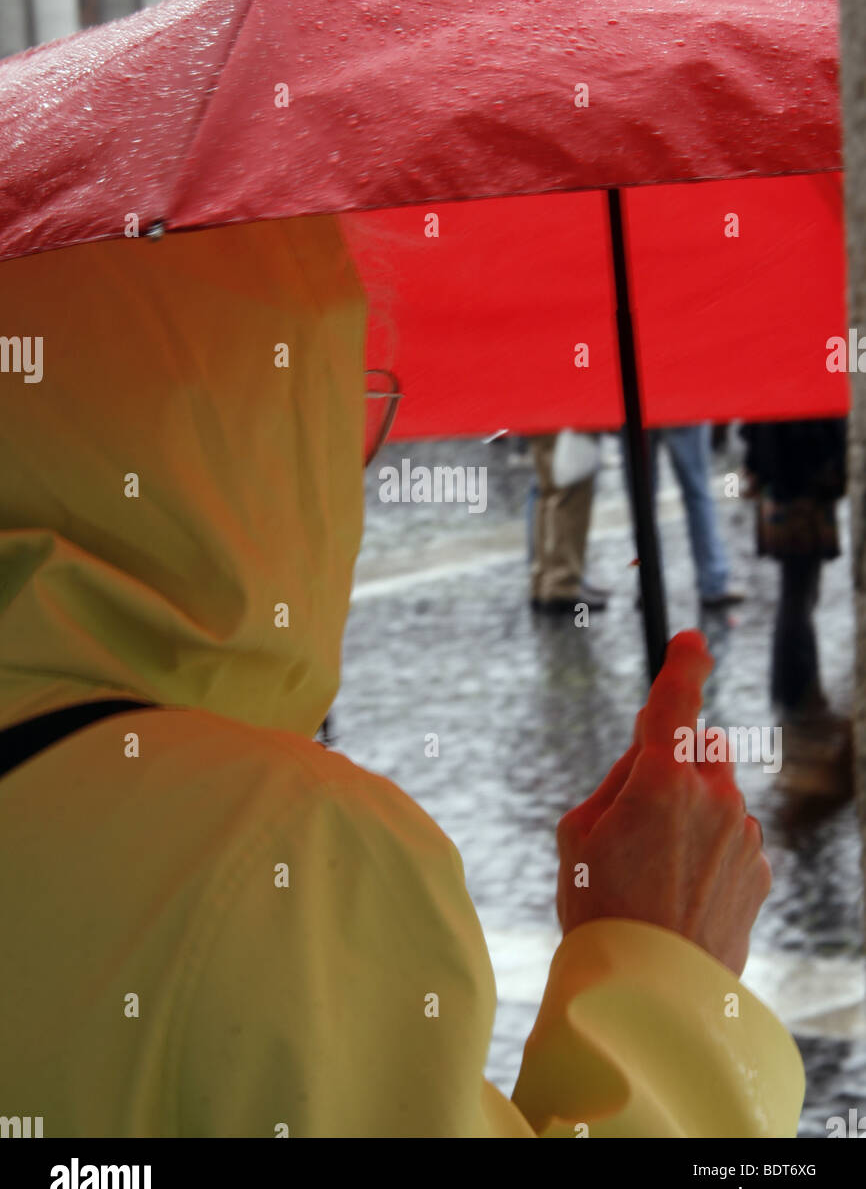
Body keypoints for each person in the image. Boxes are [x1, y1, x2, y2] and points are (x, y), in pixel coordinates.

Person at [0, 215, 802, 1136]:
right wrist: (667, 964)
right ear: (260, 432)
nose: (361, 448)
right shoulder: (277, 858)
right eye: (345, 396)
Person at [741, 417, 851, 792]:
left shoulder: (771, 387)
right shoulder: (803, 393)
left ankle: (796, 687)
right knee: (798, 597)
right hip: (801, 492)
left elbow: (753, 436)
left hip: (783, 491)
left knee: (798, 594)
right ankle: (797, 691)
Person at [627, 423, 744, 610]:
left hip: (637, 413)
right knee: (697, 492)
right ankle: (712, 582)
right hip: (679, 407)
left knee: (642, 500)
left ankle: (647, 583)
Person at [528, 431, 608, 613]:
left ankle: (545, 579)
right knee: (569, 494)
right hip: (567, 416)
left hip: (542, 415)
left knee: (548, 491)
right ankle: (562, 583)